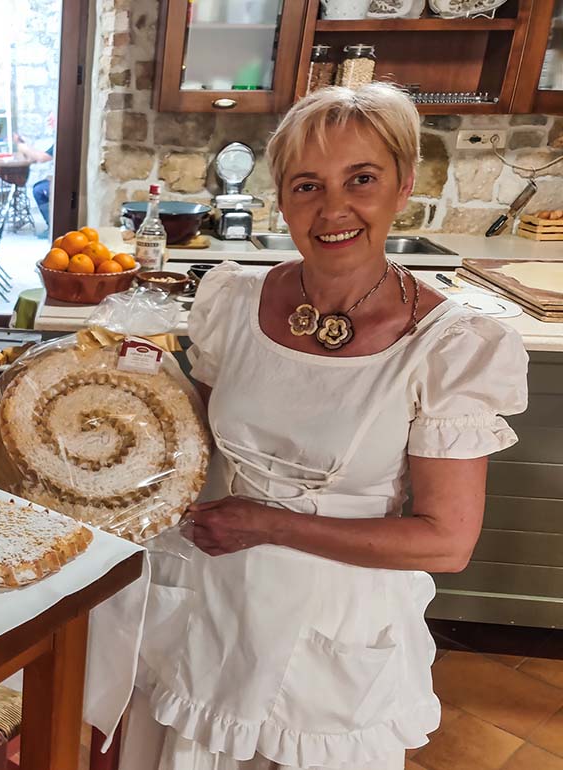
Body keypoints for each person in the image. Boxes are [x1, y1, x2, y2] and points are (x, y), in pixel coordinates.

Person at [122, 83, 529, 770]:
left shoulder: (447, 346)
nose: (334, 208)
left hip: (334, 631)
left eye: (361, 179)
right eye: (308, 185)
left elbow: (447, 541)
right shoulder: (236, 301)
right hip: (211, 603)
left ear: (403, 185)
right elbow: (192, 435)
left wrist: (268, 525)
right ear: (281, 201)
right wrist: (126, 392)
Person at [13, 114, 55, 234]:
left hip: (64, 183)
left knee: (39, 190)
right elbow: (39, 156)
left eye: (52, 119)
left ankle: (51, 226)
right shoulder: (60, 138)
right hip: (58, 179)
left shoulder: (63, 138)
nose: (49, 121)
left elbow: (41, 158)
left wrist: (23, 147)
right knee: (40, 186)